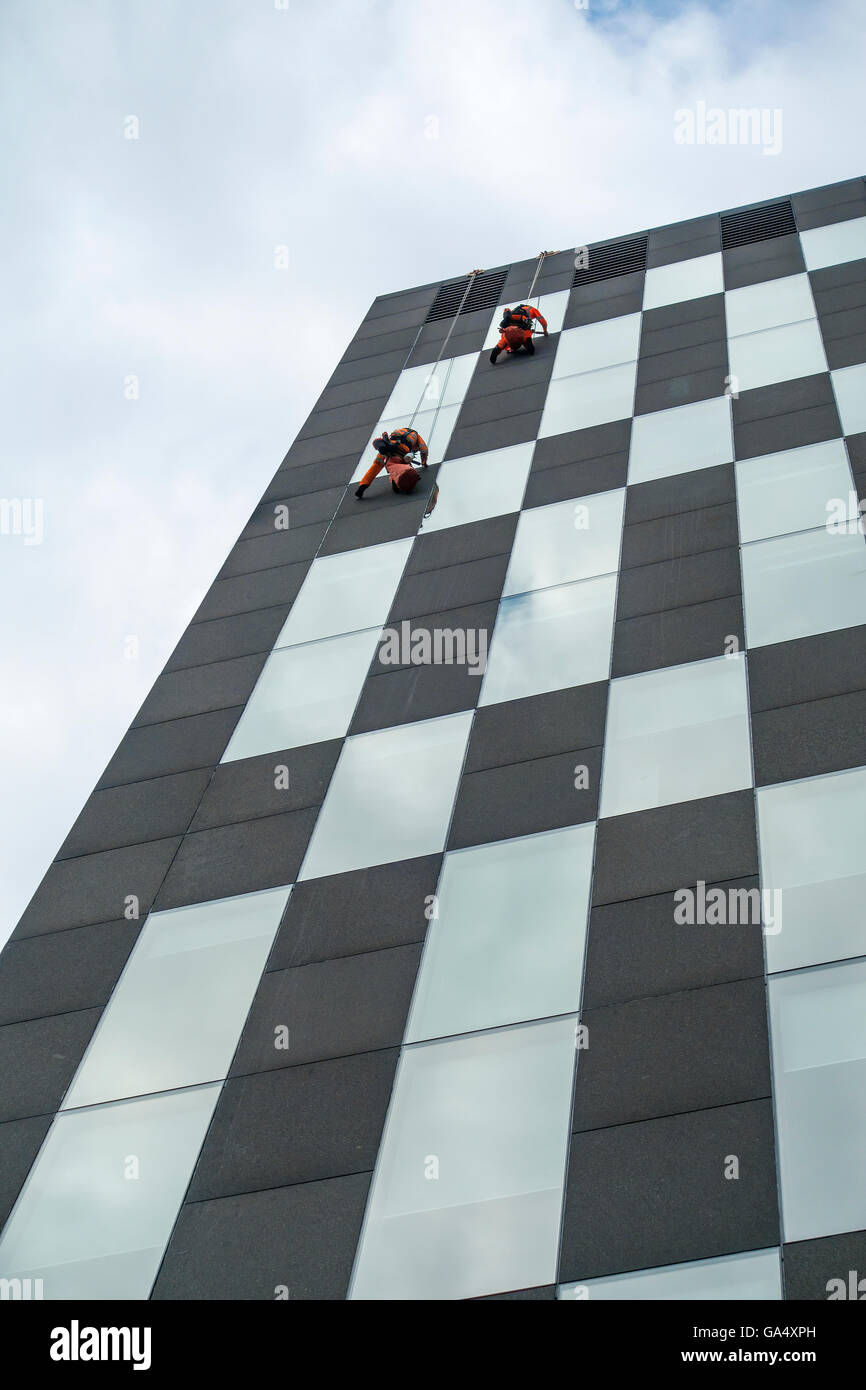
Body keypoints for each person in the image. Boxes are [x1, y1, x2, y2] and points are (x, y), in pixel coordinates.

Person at [355, 427, 429, 499]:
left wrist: (363, 485)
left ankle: (394, 480)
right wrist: (424, 462)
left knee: (388, 465)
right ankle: (396, 480)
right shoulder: (414, 438)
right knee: (402, 466)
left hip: (392, 447)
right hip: (401, 450)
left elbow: (375, 467)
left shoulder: (392, 442)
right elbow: (424, 450)